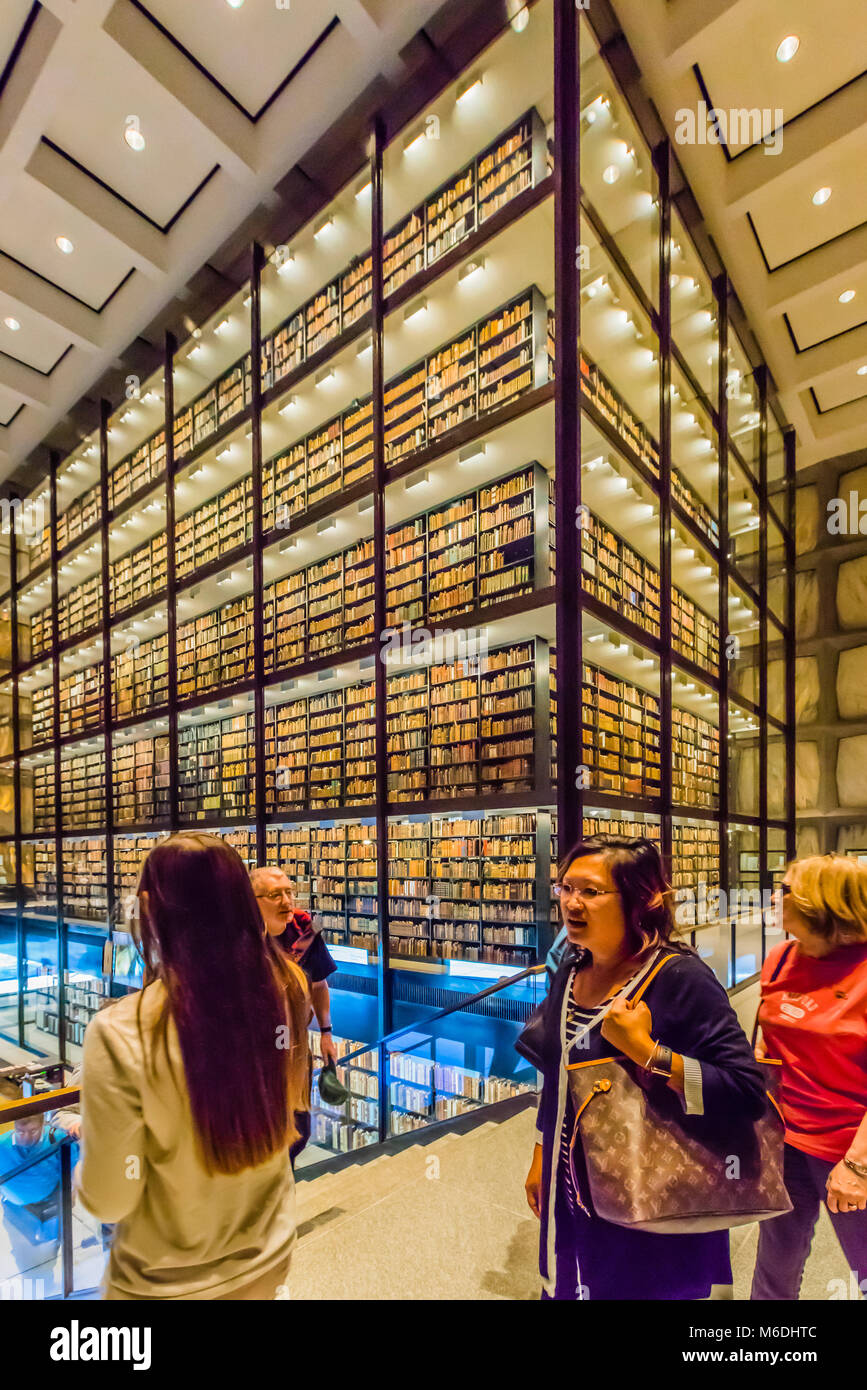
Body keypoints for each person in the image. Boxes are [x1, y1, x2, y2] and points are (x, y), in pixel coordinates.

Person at [524, 833, 767, 1300]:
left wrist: (648, 1052)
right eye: (565, 888)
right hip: (577, 1186)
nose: (572, 903)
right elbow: (559, 1076)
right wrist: (541, 1155)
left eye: (591, 891)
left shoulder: (680, 977)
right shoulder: (572, 969)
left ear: (640, 899)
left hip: (656, 1192)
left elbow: (745, 1090)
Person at [76, 832, 310, 1300]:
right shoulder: (286, 989)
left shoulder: (121, 1032)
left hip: (167, 1284)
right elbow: (289, 1113)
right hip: (269, 1256)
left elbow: (111, 1197)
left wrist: (86, 1150)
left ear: (149, 909)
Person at [751, 854, 867, 1300]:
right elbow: (772, 1044)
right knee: (774, 1269)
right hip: (784, 1142)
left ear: (820, 905)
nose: (774, 898)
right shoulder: (781, 958)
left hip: (850, 1152)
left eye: (785, 891)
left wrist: (857, 1167)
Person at [251, 867, 338, 1164]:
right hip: (255, 1057)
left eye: (289, 892)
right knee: (266, 1139)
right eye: (275, 895)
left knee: (298, 1132)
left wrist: (327, 1033)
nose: (286, 901)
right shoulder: (239, 942)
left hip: (296, 1050)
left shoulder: (304, 932)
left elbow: (319, 984)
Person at [0, 1112, 78, 1283]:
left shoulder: (57, 1139)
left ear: (44, 1126)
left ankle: (47, 1282)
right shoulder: (2, 1145)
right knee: (24, 1256)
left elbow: (75, 1165)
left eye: (33, 1131)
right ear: (14, 1126)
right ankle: (34, 1286)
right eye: (21, 1132)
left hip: (51, 1204)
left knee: (50, 1249)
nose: (27, 1138)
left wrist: (71, 1193)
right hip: (16, 1210)